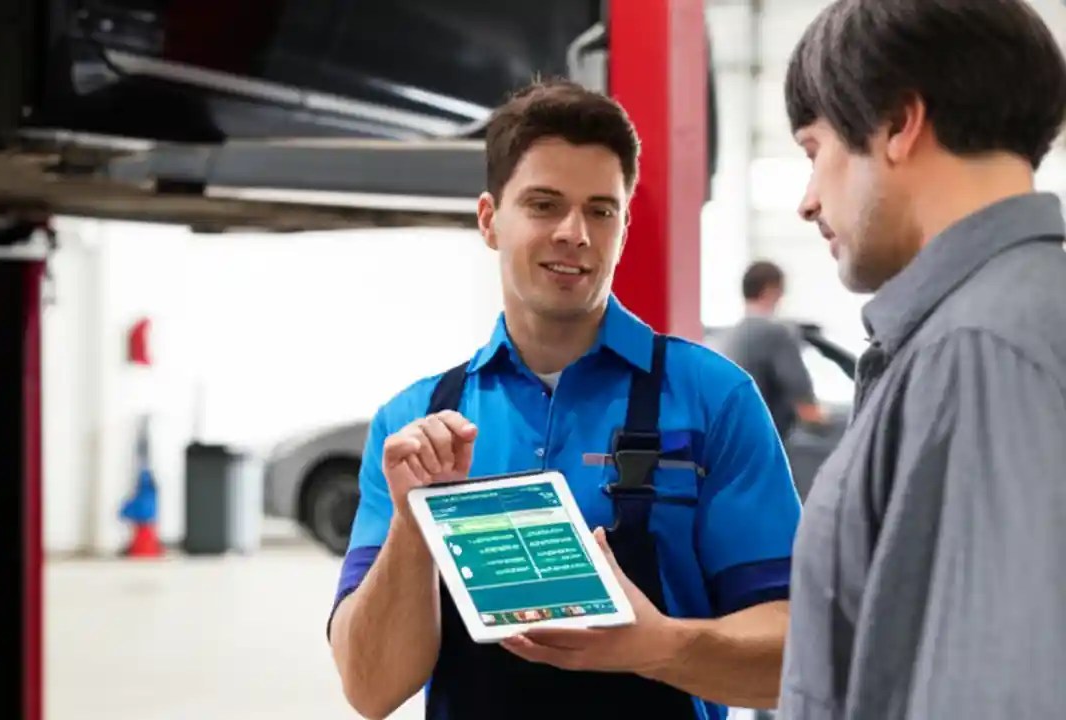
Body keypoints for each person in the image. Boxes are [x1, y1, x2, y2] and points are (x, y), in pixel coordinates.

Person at [327, 79, 801, 720]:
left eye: (601, 210)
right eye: (545, 205)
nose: (575, 232)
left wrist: (656, 646)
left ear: (623, 228)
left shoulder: (713, 401)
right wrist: (414, 527)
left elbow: (791, 659)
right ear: (491, 220)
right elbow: (370, 688)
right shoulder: (415, 424)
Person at [780, 1, 1066, 718]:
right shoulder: (1007, 323)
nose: (808, 201)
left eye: (815, 152)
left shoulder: (980, 354)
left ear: (898, 125)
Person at [718, 261, 826, 440]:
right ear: (771, 290)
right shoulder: (775, 332)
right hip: (764, 443)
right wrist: (821, 422)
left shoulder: (728, 336)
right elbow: (800, 392)